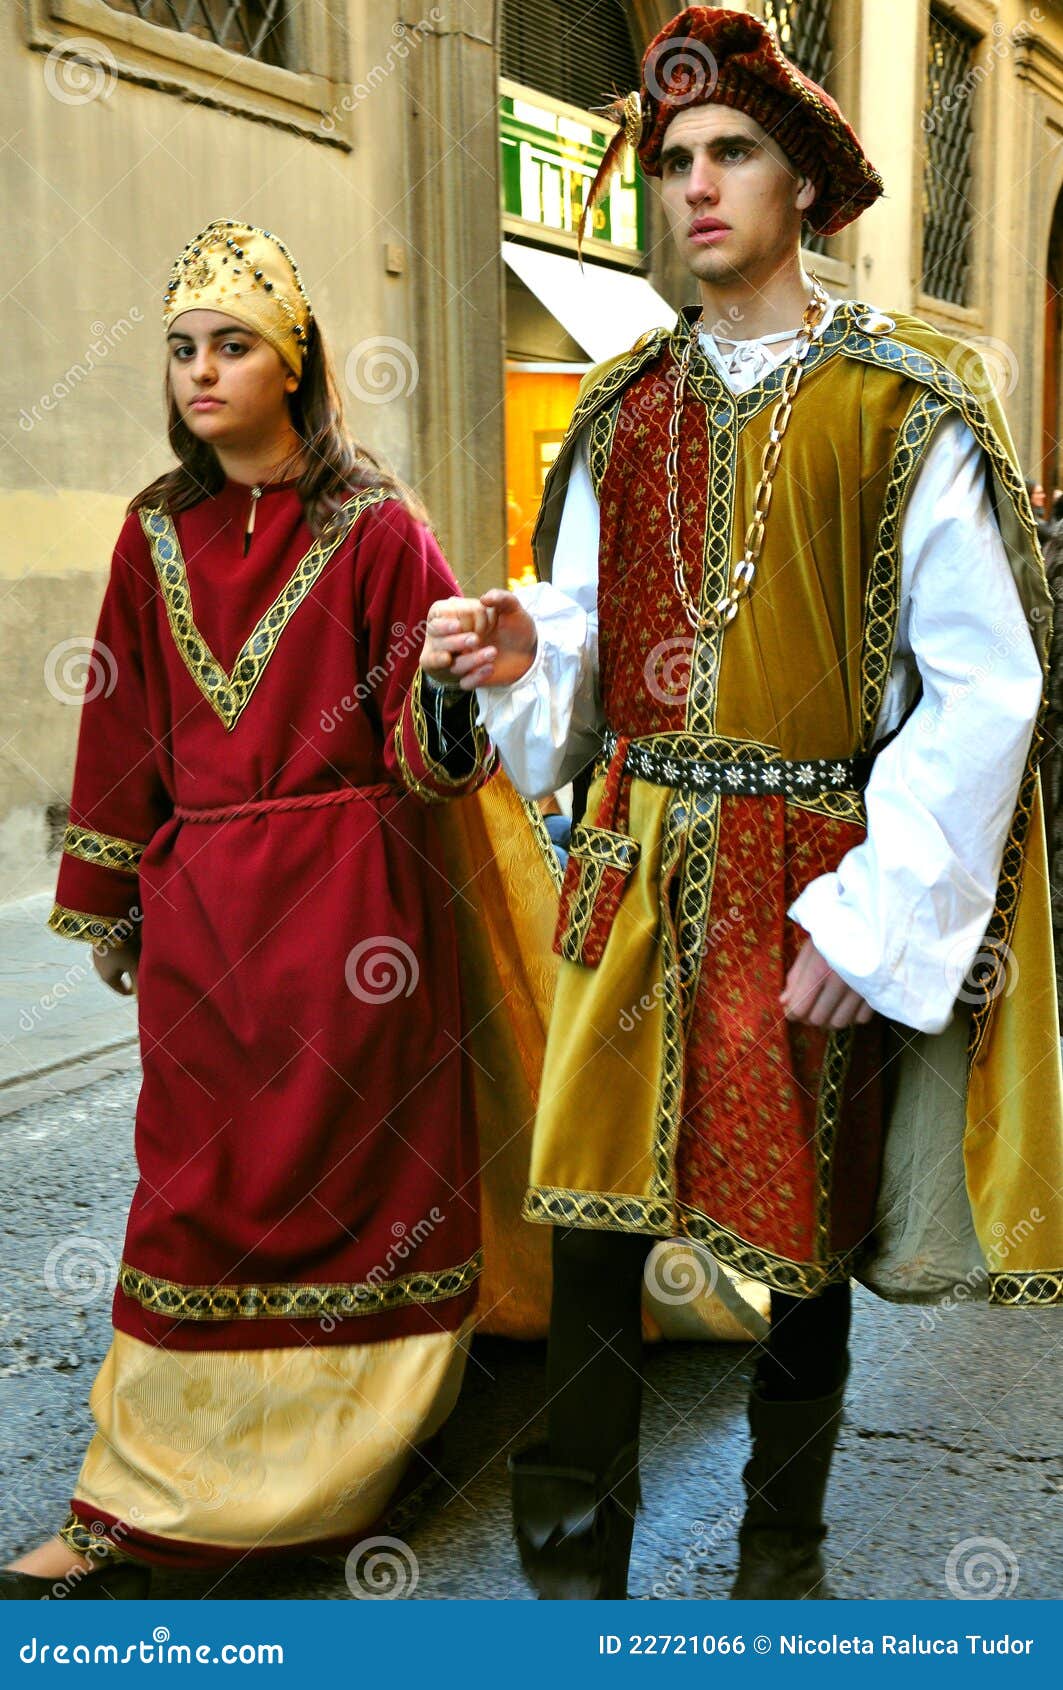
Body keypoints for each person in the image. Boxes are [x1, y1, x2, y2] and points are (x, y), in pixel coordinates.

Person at [421, 6, 1063, 1602]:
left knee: (804, 1265)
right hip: (635, 867)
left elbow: (981, 687)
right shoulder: (624, 405)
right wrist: (521, 649)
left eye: (734, 155)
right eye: (677, 160)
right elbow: (575, 651)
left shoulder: (901, 408)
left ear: (807, 190)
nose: (696, 186)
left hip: (807, 878)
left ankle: (780, 1577)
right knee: (587, 1240)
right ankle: (578, 1604)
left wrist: (877, 913)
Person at [1, 219, 546, 1598]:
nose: (199, 370)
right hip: (204, 927)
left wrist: (448, 674)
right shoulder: (151, 528)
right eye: (182, 348)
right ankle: (131, 1498)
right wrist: (114, 902)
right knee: (191, 1199)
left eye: (232, 344)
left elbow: (437, 759)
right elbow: (121, 727)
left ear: (294, 365)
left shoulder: (380, 527)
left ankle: (339, 1471)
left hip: (357, 924)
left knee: (357, 1194)